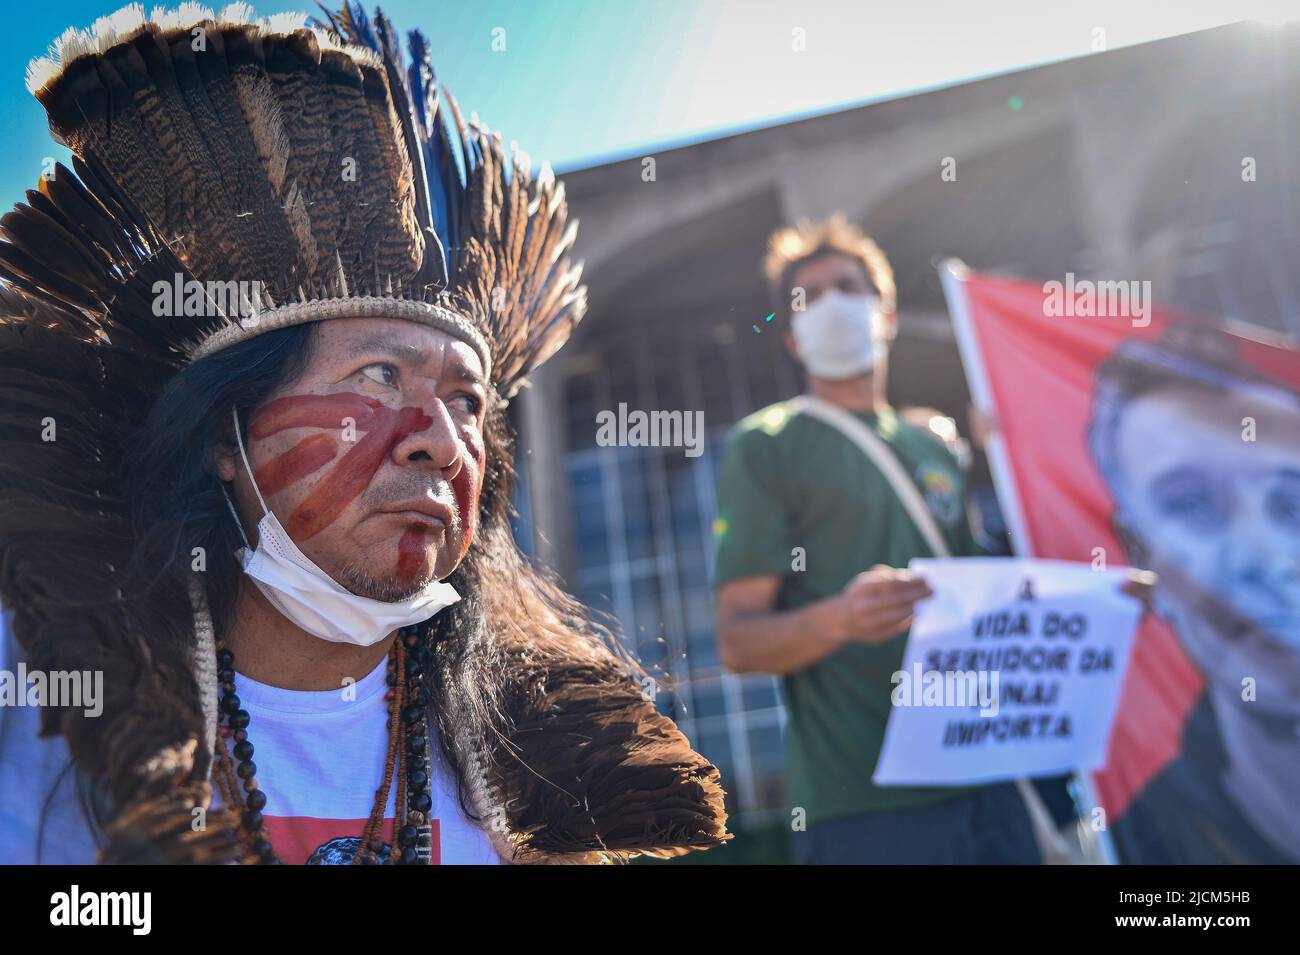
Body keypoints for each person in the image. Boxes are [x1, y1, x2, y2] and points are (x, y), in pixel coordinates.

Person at [0, 4, 726, 865]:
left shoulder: (535, 776)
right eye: (379, 376)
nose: (441, 442)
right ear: (222, 439)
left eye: (466, 400)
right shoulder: (43, 700)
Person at [712, 215, 1145, 863]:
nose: (831, 305)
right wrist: (841, 618)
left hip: (993, 778)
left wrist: (1099, 595)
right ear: (794, 340)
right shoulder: (767, 445)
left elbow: (992, 600)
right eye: (809, 297)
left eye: (848, 286)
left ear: (885, 313)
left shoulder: (935, 446)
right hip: (867, 806)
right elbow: (738, 642)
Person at [1088, 326, 1300, 863]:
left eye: (1290, 503)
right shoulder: (1151, 844)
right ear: (1138, 552)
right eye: (1190, 504)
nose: (1266, 555)